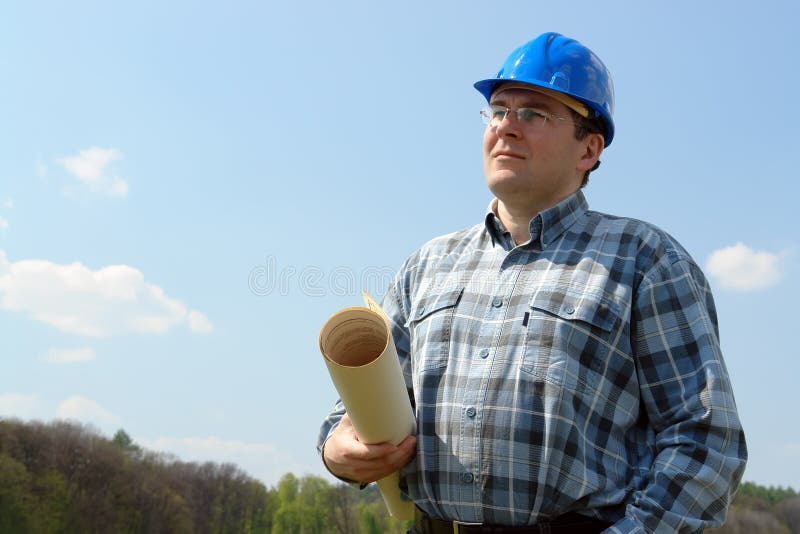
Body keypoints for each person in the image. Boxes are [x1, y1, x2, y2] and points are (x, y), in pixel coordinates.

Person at [318, 32, 747, 533]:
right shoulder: (427, 265)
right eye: (498, 110)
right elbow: (349, 417)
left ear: (589, 148)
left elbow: (705, 441)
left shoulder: (645, 260)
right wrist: (336, 451)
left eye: (535, 113)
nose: (507, 128)